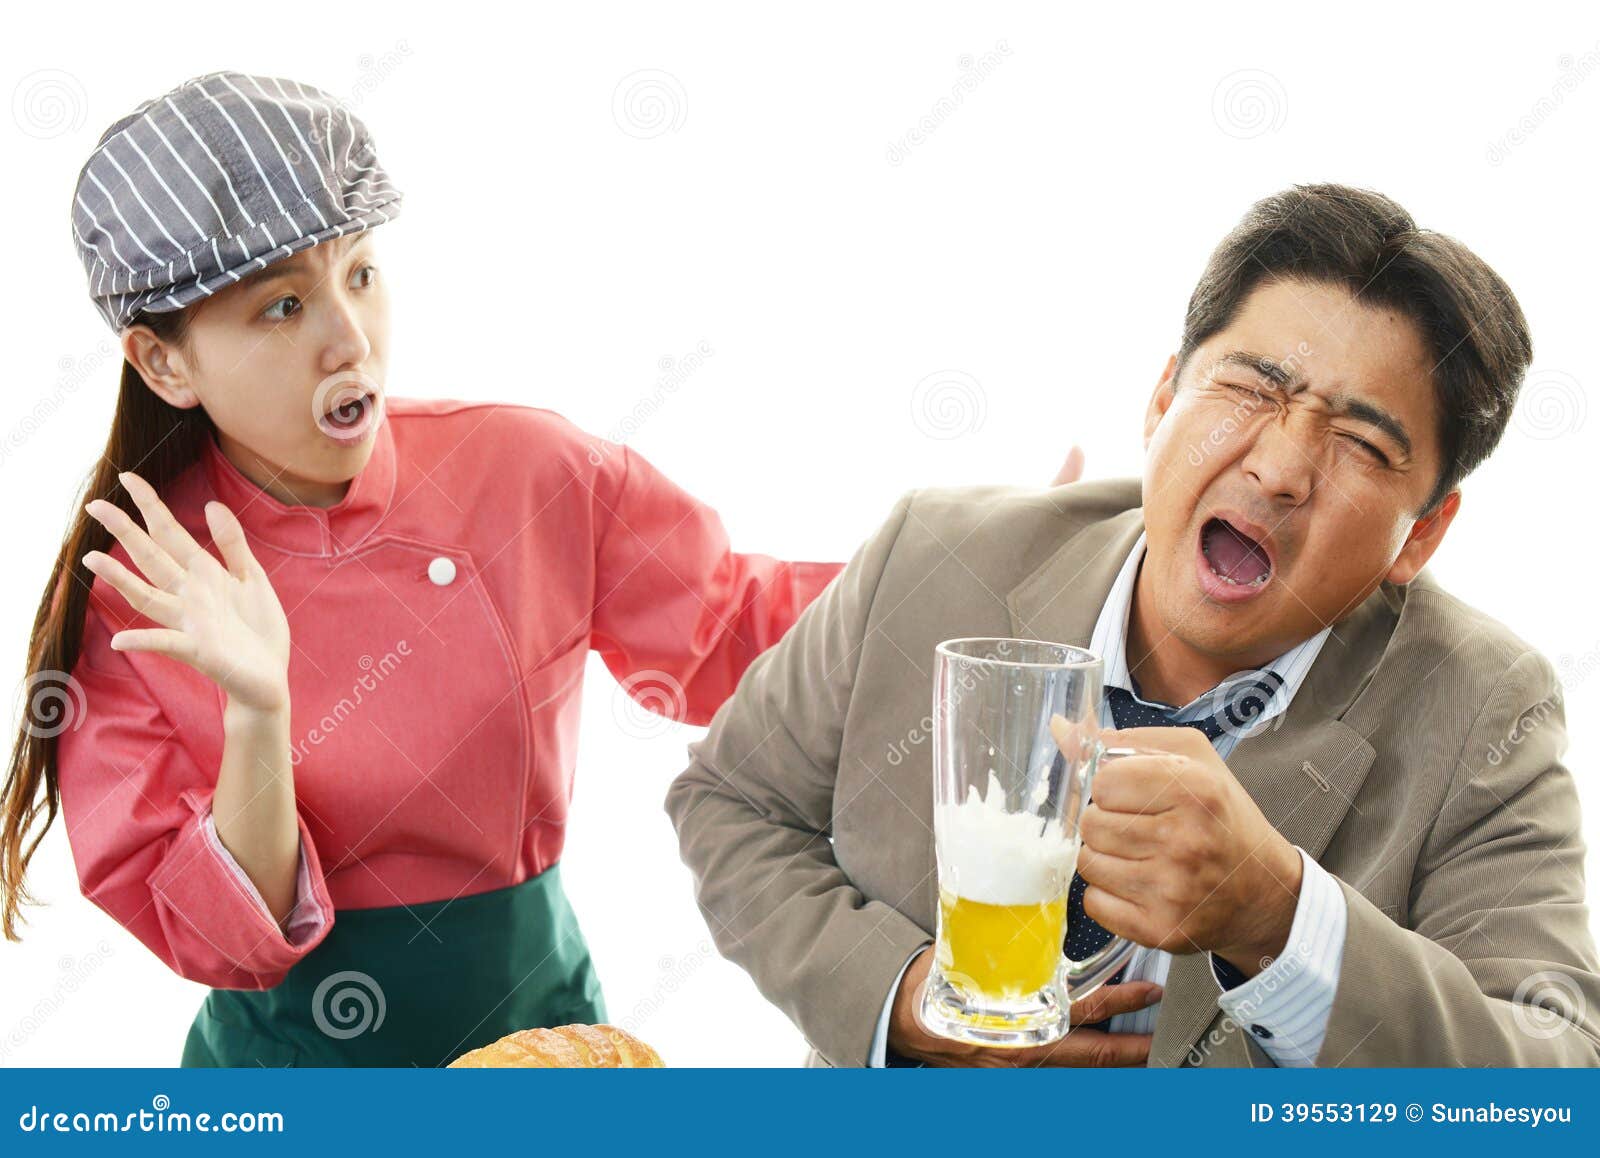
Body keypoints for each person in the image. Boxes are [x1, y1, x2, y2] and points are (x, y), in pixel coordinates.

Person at [0, 69, 1082, 1068]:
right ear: (163, 361)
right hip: (292, 1081)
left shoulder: (520, 470)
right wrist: (254, 709)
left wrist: (990, 568)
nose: (350, 340)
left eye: (362, 274)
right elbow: (227, 943)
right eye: (281, 306)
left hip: (547, 1052)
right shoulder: (134, 588)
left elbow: (737, 632)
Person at [667, 183, 1600, 1067]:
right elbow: (732, 802)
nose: (1280, 468)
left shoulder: (1483, 706)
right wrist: (902, 1000)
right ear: (1163, 400)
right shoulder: (933, 554)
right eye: (1251, 388)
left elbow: (1555, 1078)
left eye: (1359, 442)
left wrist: (1277, 916)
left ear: (1422, 534)